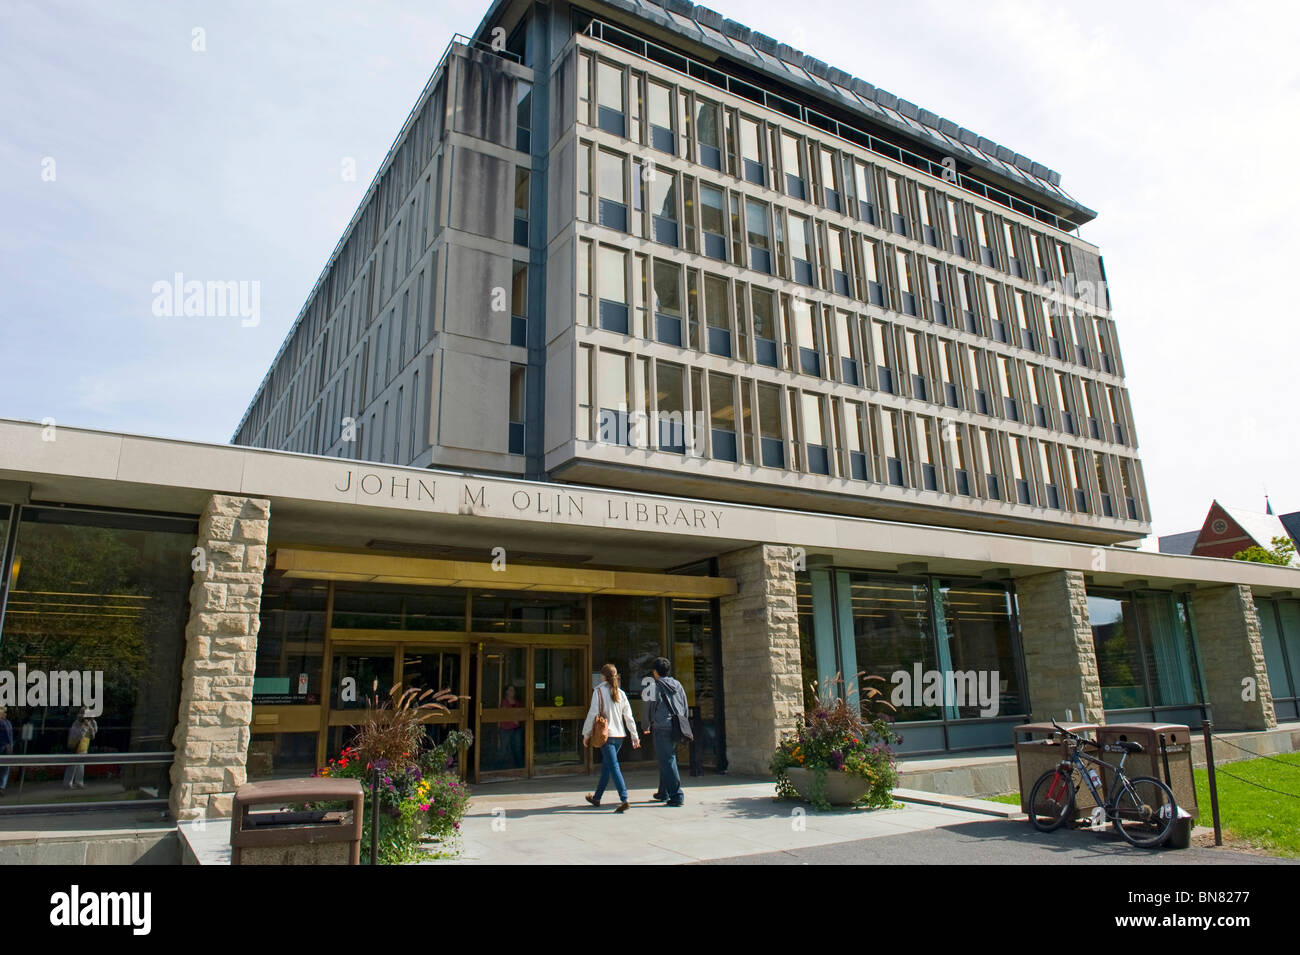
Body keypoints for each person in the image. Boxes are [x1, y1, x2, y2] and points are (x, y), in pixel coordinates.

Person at [581, 663, 639, 812]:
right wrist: (634, 735)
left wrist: (586, 734)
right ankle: (597, 797)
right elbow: (629, 716)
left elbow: (593, 714)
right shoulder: (621, 693)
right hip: (619, 735)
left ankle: (624, 798)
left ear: (603, 676)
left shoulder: (598, 691)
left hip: (606, 736)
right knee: (607, 766)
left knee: (613, 766)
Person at [642, 657, 692, 807]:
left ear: (655, 672)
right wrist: (683, 723)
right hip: (676, 727)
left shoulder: (654, 687)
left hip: (662, 727)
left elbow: (648, 708)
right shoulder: (677, 684)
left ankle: (677, 795)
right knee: (667, 759)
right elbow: (684, 705)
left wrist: (646, 726)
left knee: (667, 760)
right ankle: (663, 792)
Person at [62, 708, 97, 790]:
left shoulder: (89, 723)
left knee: (81, 766)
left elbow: (93, 735)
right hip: (75, 747)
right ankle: (67, 783)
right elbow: (77, 735)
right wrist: (84, 726)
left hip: (84, 747)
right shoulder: (76, 723)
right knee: (72, 766)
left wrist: (92, 722)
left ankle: (79, 782)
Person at [498, 684, 525, 769]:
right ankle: (496, 769)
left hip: (516, 729)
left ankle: (520, 768)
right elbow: (505, 713)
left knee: (517, 749)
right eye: (510, 690)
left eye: (513, 690)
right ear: (506, 692)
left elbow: (520, 714)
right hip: (505, 729)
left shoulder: (517, 702)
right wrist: (514, 719)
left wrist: (515, 720)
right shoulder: (504, 702)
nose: (512, 692)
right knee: (503, 750)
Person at [0, 707, 12, 795]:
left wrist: (10, 745)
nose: (5, 714)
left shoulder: (7, 723)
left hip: (6, 749)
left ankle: (2, 788)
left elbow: (9, 736)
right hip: (3, 747)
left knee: (5, 769)